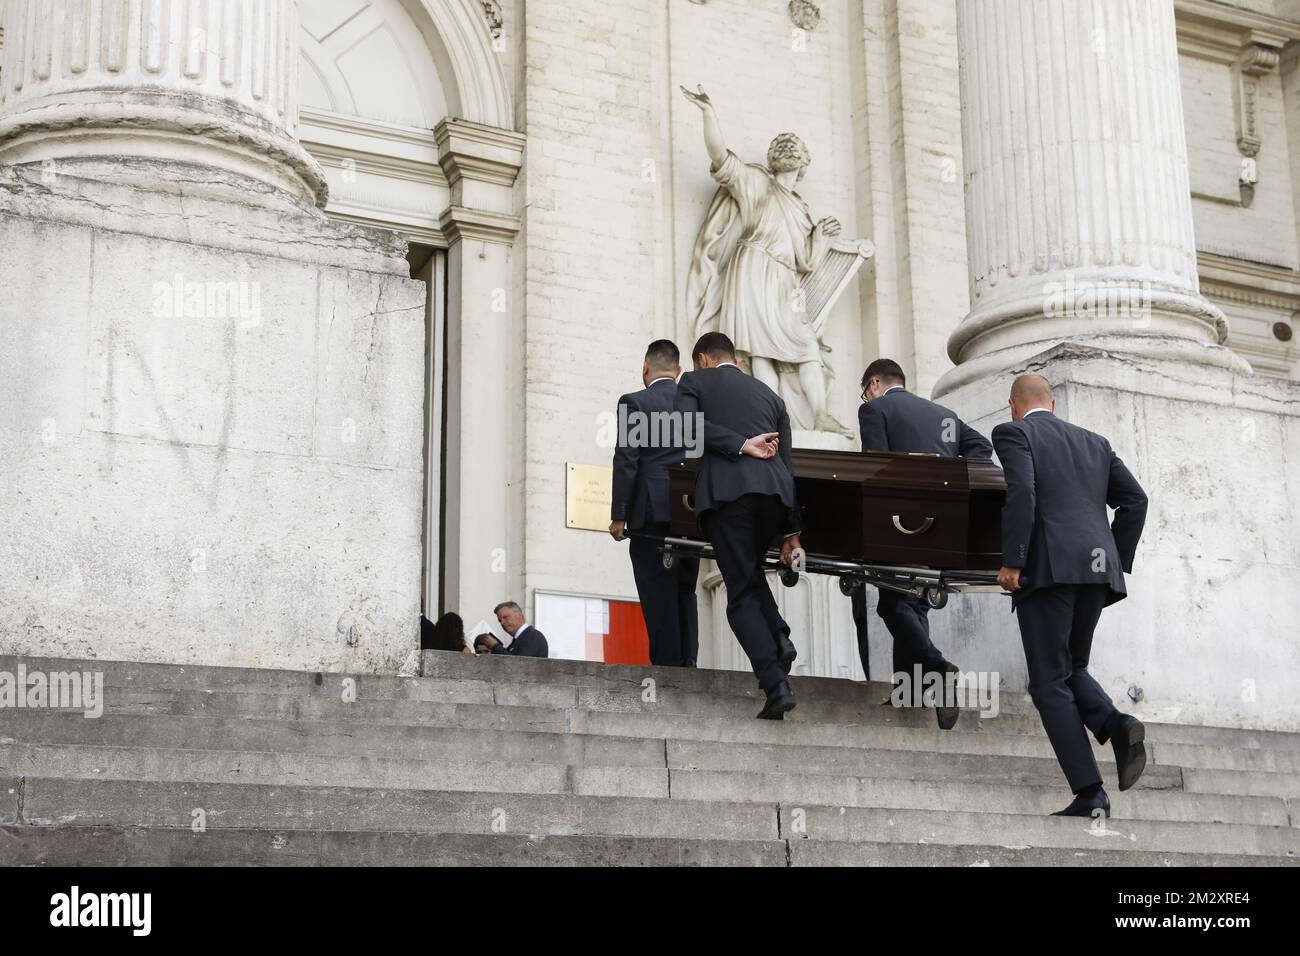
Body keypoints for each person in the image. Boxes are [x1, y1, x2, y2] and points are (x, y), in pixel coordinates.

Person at [992, 373, 1149, 817]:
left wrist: (1015, 560)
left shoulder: (1013, 432)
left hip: (1048, 570)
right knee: (1072, 667)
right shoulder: (1095, 442)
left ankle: (1090, 791)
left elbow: (1023, 491)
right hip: (1097, 572)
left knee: (1047, 682)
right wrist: (1113, 558)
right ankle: (1116, 725)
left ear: (1013, 404)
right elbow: (1135, 500)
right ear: (1053, 403)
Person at [853, 358, 993, 729]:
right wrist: (952, 479)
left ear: (875, 382)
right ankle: (909, 692)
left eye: (866, 389)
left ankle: (938, 667)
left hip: (898, 520)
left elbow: (876, 466)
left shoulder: (875, 409)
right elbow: (982, 447)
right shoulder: (942, 413)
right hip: (941, 520)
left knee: (892, 602)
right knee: (913, 602)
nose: (867, 395)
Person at [674, 331, 803, 719]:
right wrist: (792, 533)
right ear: (734, 357)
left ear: (702, 359)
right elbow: (789, 465)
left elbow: (684, 428)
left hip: (728, 496)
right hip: (775, 498)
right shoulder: (771, 395)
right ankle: (779, 635)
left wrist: (741, 444)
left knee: (740, 595)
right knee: (746, 570)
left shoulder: (693, 382)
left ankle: (774, 682)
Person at [609, 339, 700, 666]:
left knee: (656, 591)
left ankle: (668, 666)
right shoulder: (694, 406)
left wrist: (619, 514)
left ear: (646, 368)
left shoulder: (634, 402)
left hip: (650, 513)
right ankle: (689, 661)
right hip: (690, 513)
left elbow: (627, 460)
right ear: (678, 371)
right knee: (685, 589)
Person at [476, 601, 550, 658]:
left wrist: (495, 646)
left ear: (519, 614)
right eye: (500, 620)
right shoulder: (520, 638)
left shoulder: (533, 636)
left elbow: (518, 664)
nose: (502, 622)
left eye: (505, 617)